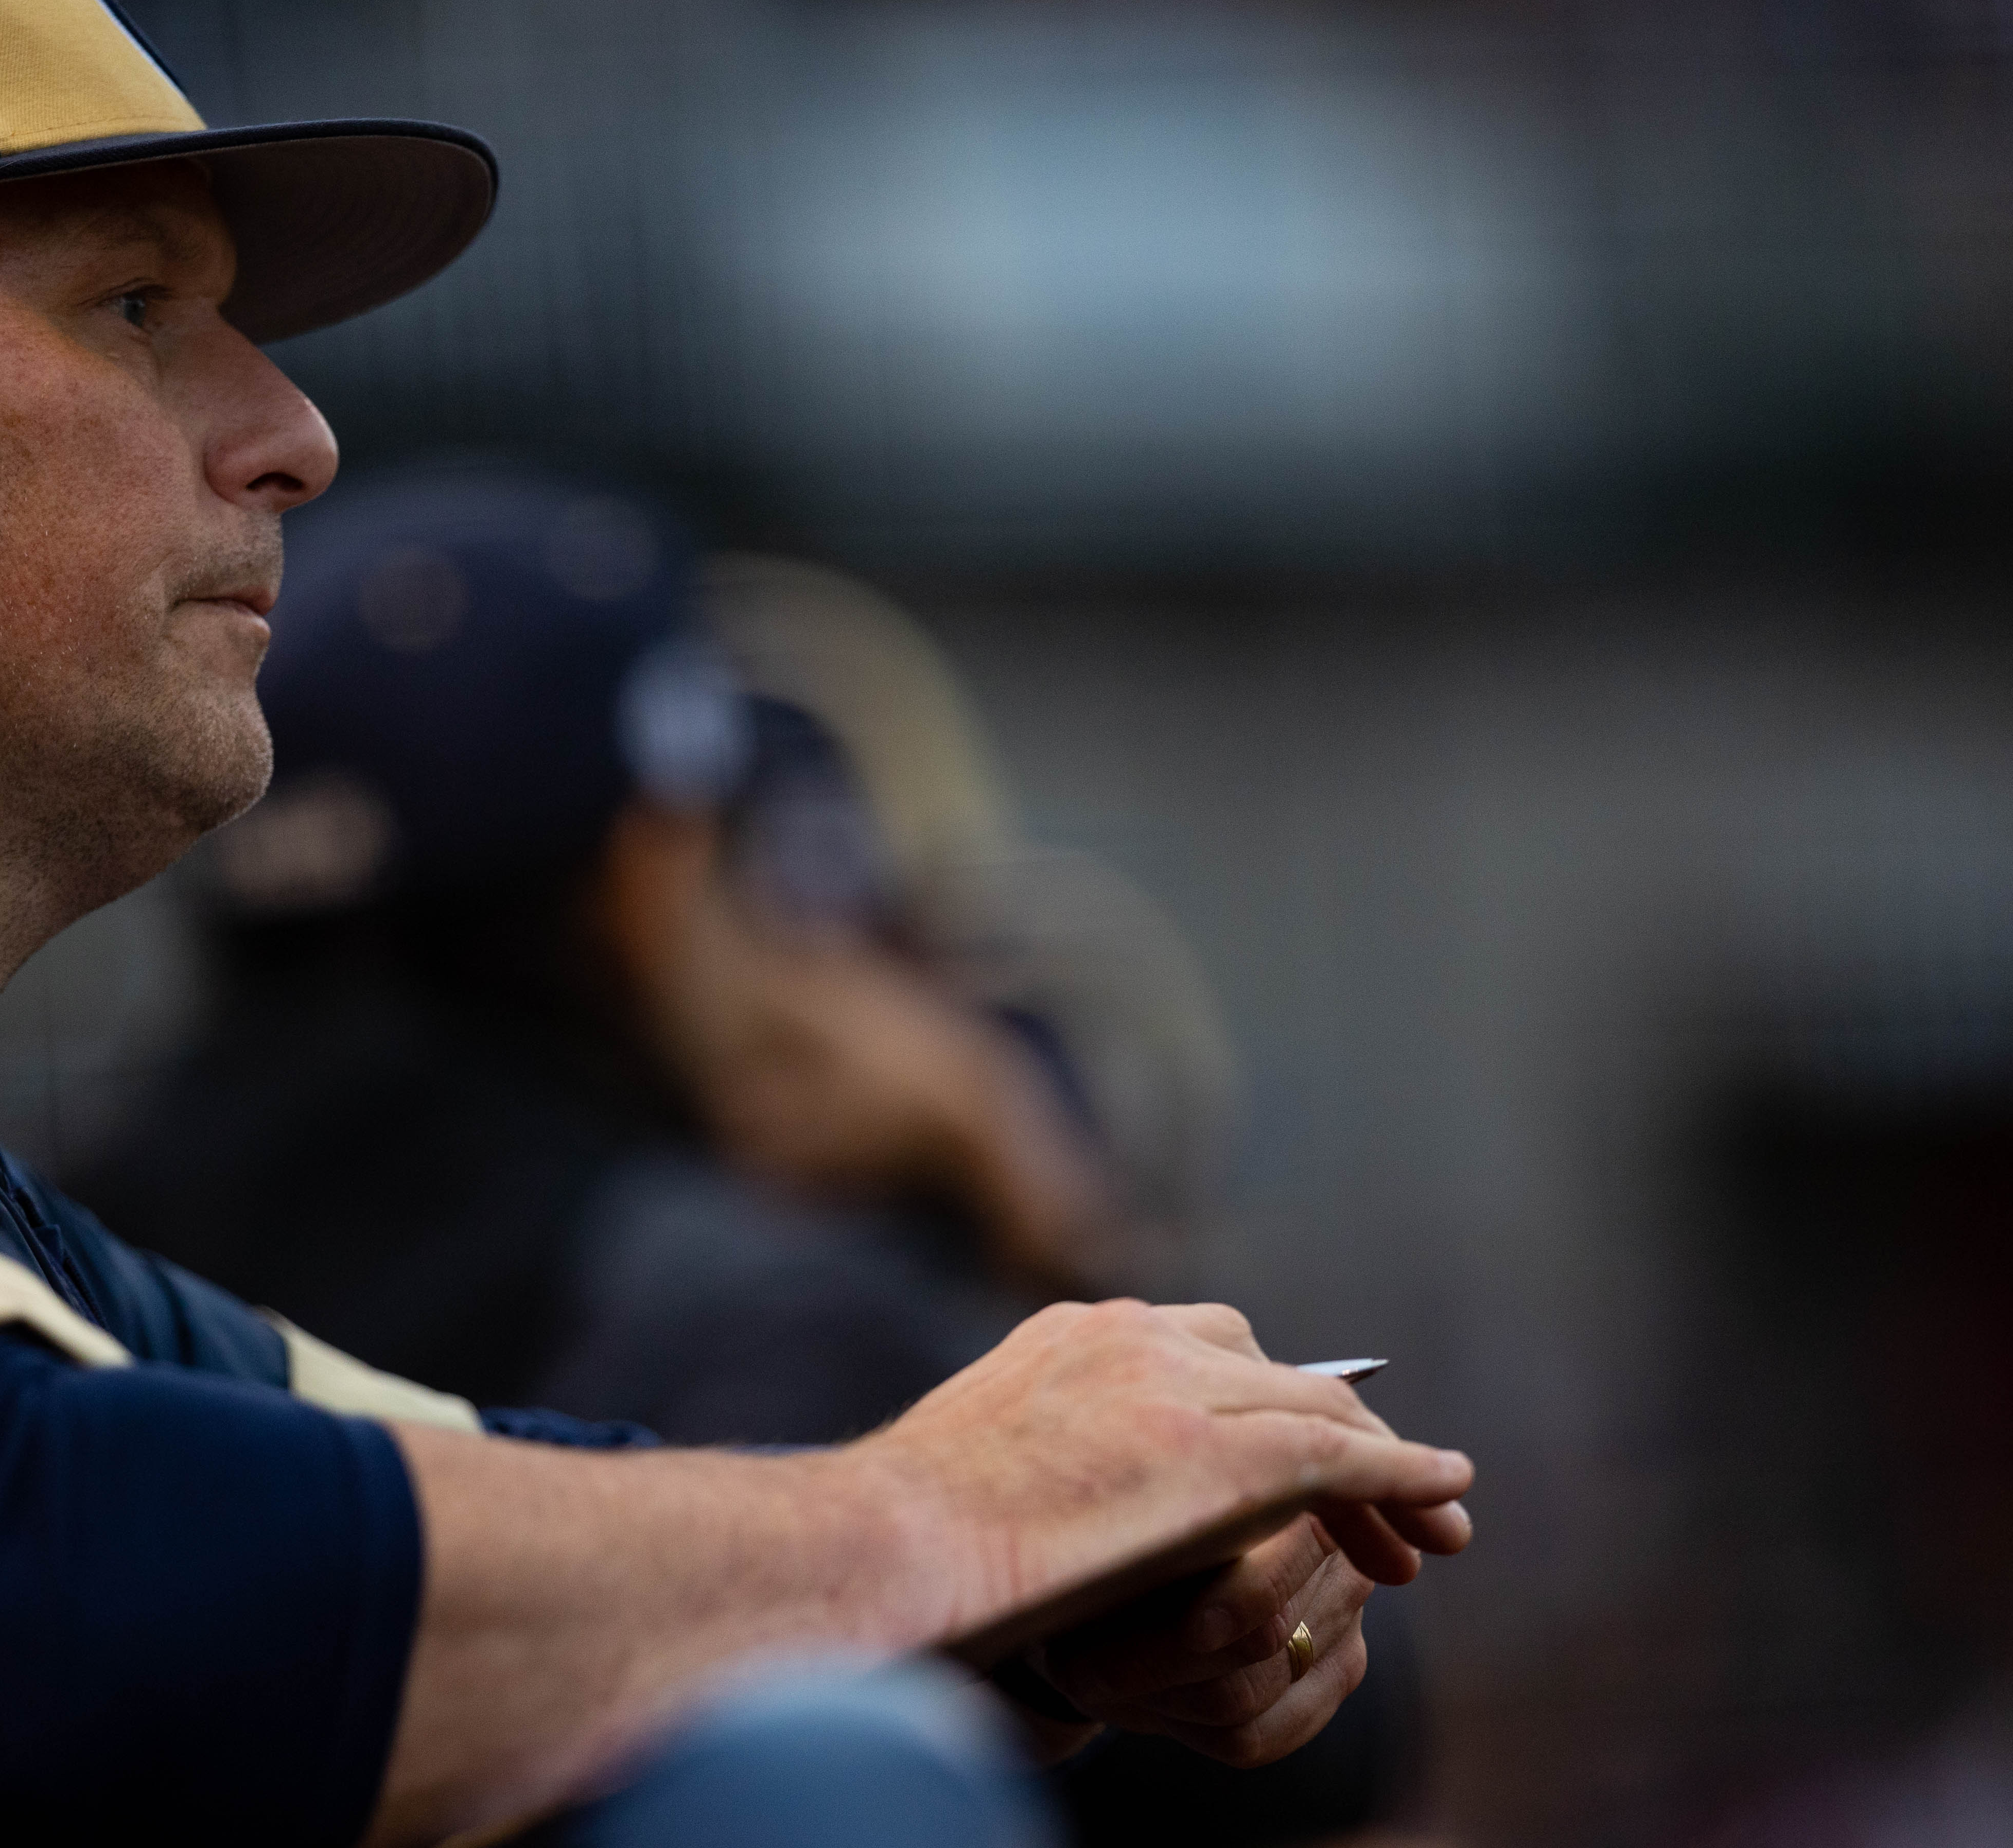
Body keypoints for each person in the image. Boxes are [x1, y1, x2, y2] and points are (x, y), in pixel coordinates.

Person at [0, 0, 1475, 1847]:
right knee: (801, 1789)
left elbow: (429, 1493)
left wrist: (1010, 1581)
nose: (292, 431)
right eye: (134, 306)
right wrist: (932, 1529)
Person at [76, 465, 1440, 1843]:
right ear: (649, 872)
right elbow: (1320, 1746)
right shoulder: (764, 1296)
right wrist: (1032, 1242)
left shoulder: (45, 1227)